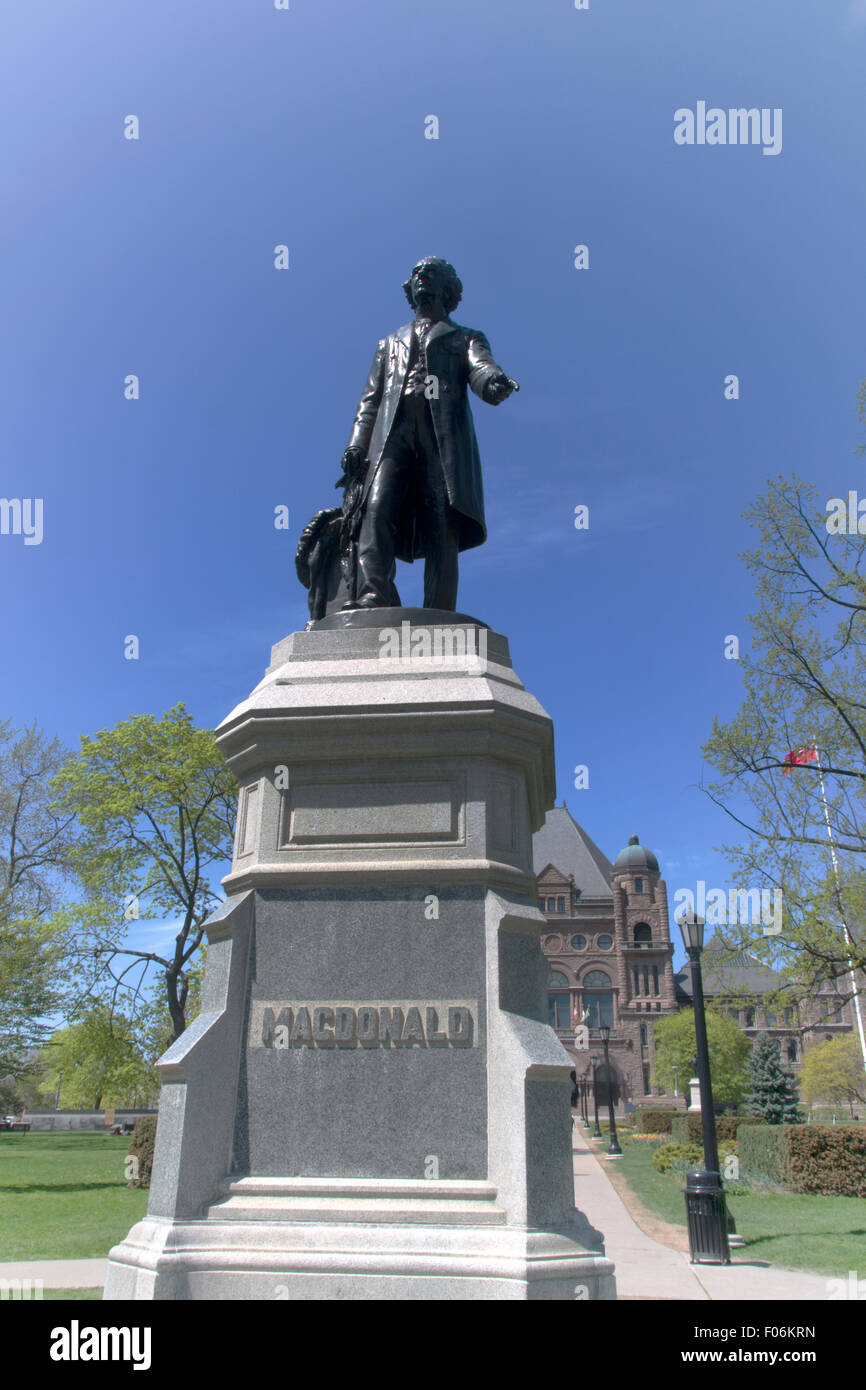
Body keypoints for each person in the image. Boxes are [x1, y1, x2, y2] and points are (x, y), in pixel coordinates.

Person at [339, 257, 517, 611]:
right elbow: (370, 399)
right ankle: (373, 592)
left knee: (442, 521)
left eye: (430, 274)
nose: (421, 278)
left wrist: (494, 381)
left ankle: (439, 609)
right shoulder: (388, 342)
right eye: (417, 274)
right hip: (392, 434)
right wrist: (357, 443)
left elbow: (481, 367)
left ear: (447, 289)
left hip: (442, 436)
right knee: (376, 509)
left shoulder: (465, 336)